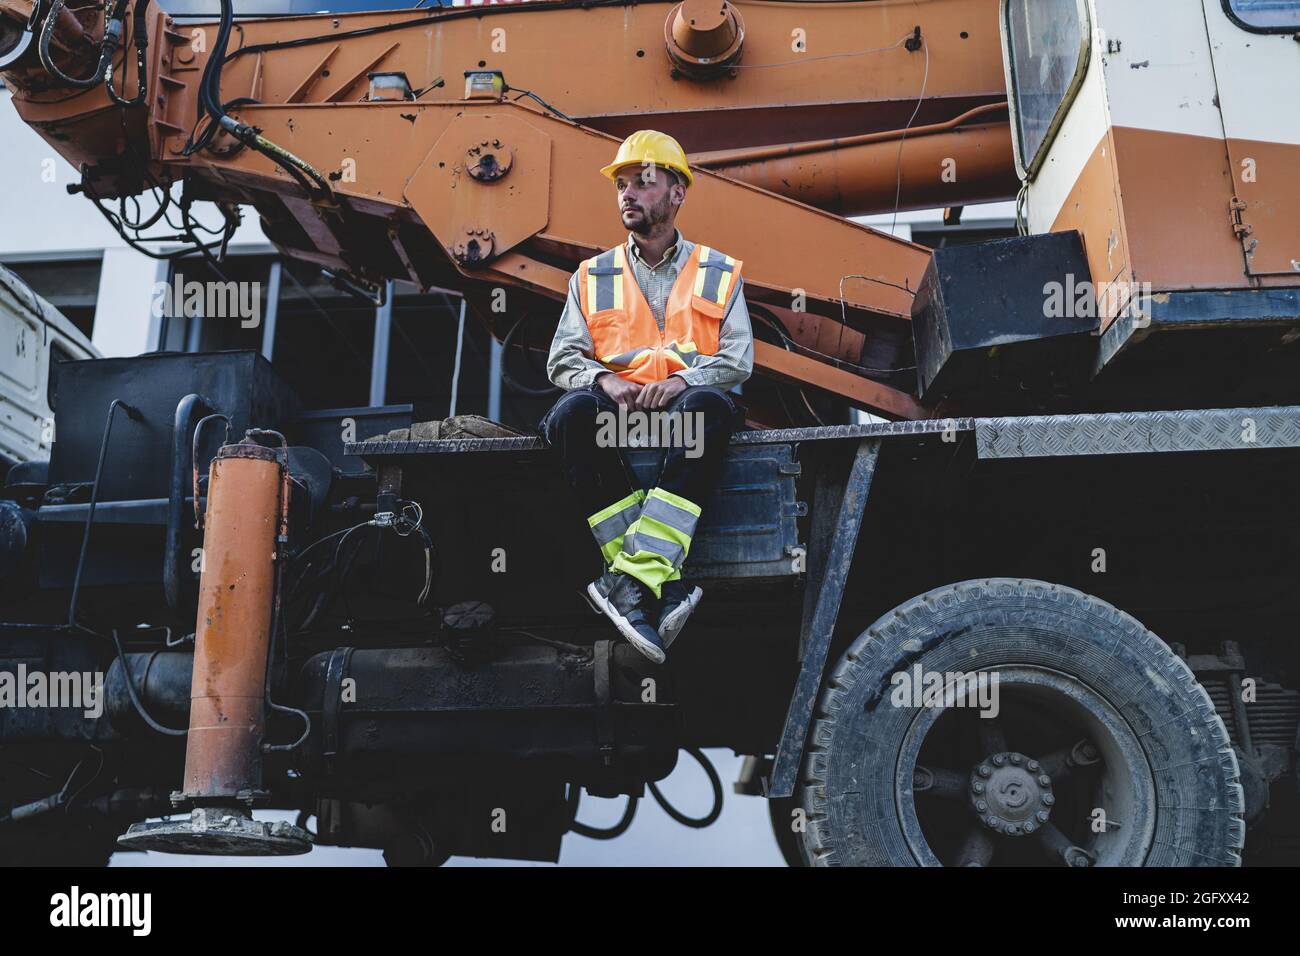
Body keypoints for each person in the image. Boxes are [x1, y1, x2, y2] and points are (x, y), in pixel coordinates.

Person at [539, 130, 753, 663]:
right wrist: (605, 381)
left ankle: (629, 582)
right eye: (622, 185)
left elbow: (737, 359)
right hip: (617, 419)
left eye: (643, 183)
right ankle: (661, 580)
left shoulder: (718, 272)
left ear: (677, 193)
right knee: (571, 414)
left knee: (709, 406)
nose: (627, 194)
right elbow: (562, 360)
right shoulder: (591, 276)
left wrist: (683, 382)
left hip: (686, 418)